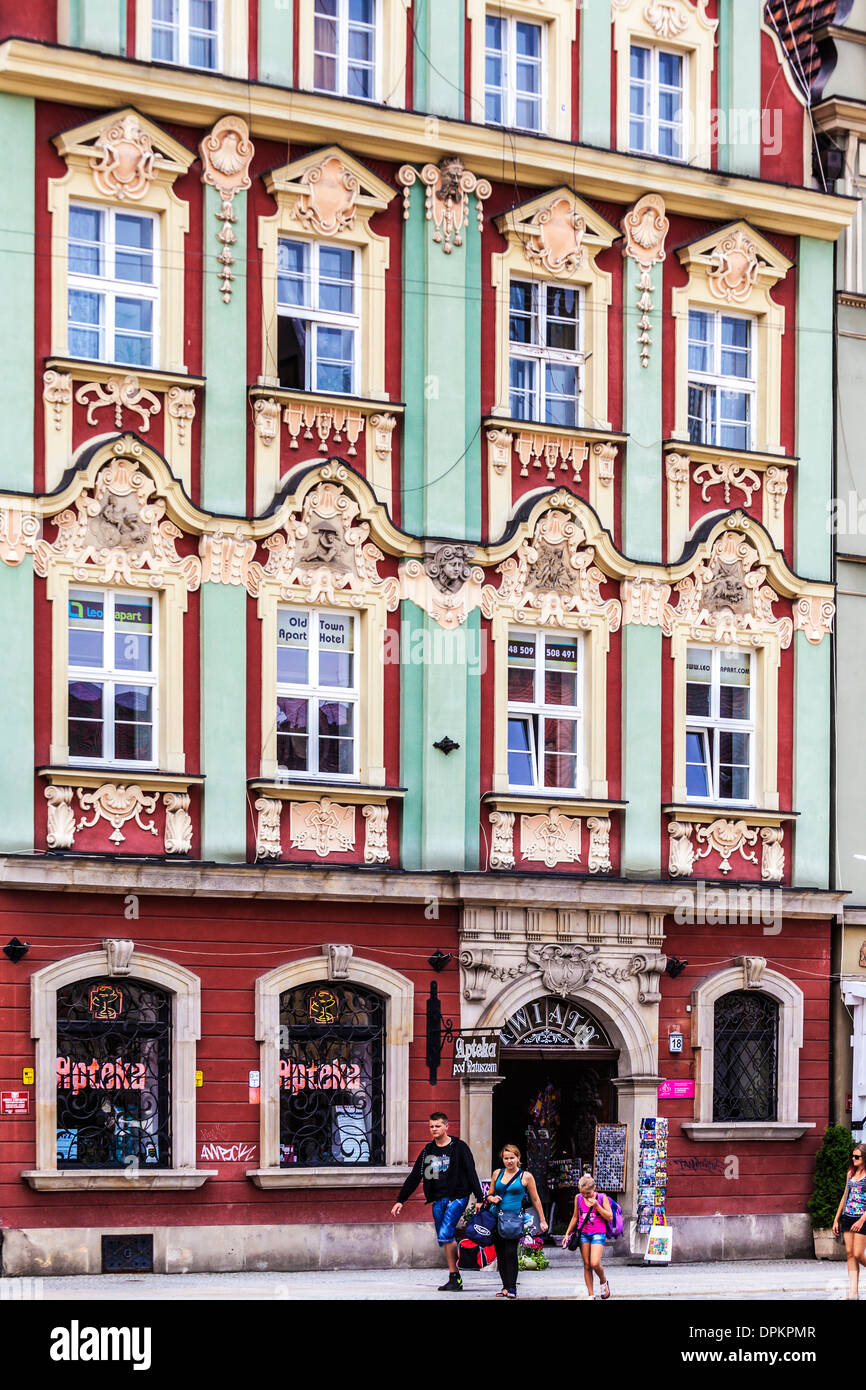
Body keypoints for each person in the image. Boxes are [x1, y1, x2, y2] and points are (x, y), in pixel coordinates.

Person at [391, 1111, 484, 1292]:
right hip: (438, 1199)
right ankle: (454, 1277)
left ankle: (465, 1263)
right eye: (431, 1126)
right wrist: (401, 1200)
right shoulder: (428, 1150)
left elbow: (471, 1172)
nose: (434, 1129)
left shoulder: (459, 1147)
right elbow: (415, 1176)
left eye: (437, 1126)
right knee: (445, 1238)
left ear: (446, 1126)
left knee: (446, 1233)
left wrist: (479, 1198)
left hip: (457, 1196)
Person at [488, 1143, 548, 1298]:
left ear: (518, 1158)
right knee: (500, 1253)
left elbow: (535, 1199)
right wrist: (492, 1198)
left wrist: (542, 1220)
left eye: (512, 1158)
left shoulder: (525, 1176)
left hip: (514, 1219)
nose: (509, 1161)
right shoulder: (497, 1173)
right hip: (497, 1217)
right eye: (506, 1158)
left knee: (510, 1252)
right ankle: (505, 1287)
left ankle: (512, 1288)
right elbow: (489, 1194)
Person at [562, 1172, 612, 1299]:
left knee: (595, 1263)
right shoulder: (578, 1198)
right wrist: (567, 1233)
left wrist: (597, 1205)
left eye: (588, 1193)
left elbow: (610, 1217)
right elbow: (575, 1217)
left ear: (593, 1189)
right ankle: (591, 1294)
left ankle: (603, 1281)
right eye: (583, 1193)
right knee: (587, 1264)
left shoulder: (601, 1197)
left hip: (598, 1233)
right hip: (583, 1233)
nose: (585, 1196)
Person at [832, 1140, 866, 1299]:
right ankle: (853, 1293)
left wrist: (861, 1220)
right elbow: (845, 1197)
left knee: (859, 1253)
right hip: (847, 1217)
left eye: (857, 1157)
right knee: (850, 1253)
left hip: (862, 1219)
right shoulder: (851, 1174)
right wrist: (836, 1219)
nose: (853, 1159)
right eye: (852, 1156)